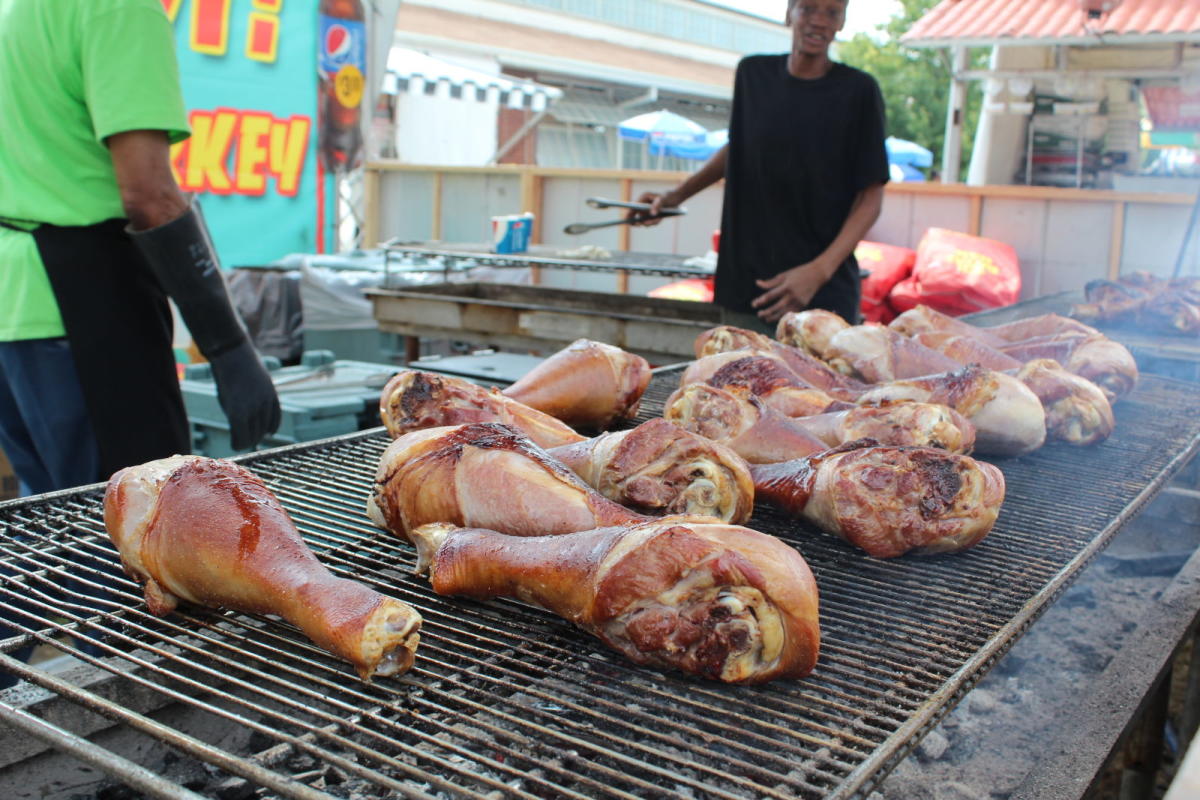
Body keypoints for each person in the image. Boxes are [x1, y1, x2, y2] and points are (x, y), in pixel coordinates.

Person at [0, 0, 280, 688]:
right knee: (136, 541)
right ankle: (128, 713)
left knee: (54, 518)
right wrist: (229, 346)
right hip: (81, 301)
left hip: (15, 304)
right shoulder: (116, 6)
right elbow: (149, 193)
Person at [634, 0, 889, 332]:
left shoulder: (859, 90)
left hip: (823, 293)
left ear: (842, 21)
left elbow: (871, 198)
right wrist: (676, 196)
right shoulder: (753, 75)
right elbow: (740, 147)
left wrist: (817, 272)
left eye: (832, 12)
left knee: (824, 384)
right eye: (808, 8)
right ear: (789, 13)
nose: (819, 21)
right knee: (738, 381)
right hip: (747, 284)